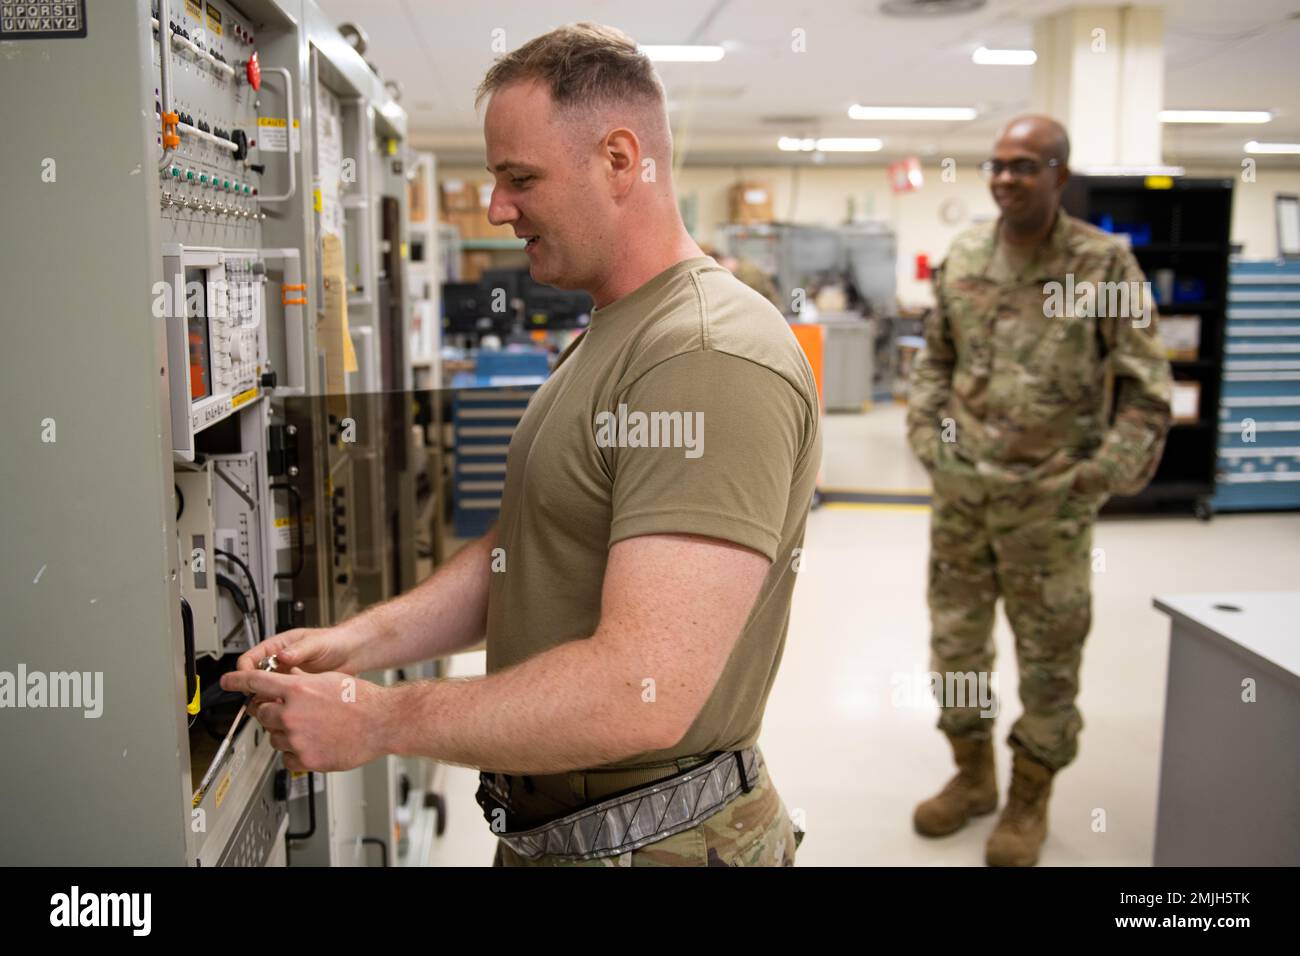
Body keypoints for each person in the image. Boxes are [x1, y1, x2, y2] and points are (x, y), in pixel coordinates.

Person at [223, 22, 821, 868]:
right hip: (564, 835)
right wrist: (363, 642)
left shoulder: (704, 354)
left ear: (620, 160)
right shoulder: (613, 333)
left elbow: (639, 691)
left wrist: (380, 718)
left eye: (520, 178)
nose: (498, 207)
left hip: (663, 846)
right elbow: (529, 549)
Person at [905, 115, 1172, 866]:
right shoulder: (962, 257)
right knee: (956, 652)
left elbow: (1149, 389)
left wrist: (1094, 479)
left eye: (1024, 166)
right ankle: (972, 778)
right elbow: (934, 363)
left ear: (1059, 173)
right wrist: (931, 441)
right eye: (996, 165)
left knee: (1049, 662)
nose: (1005, 178)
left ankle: (1029, 799)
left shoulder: (1102, 263)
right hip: (963, 501)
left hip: (1049, 513)